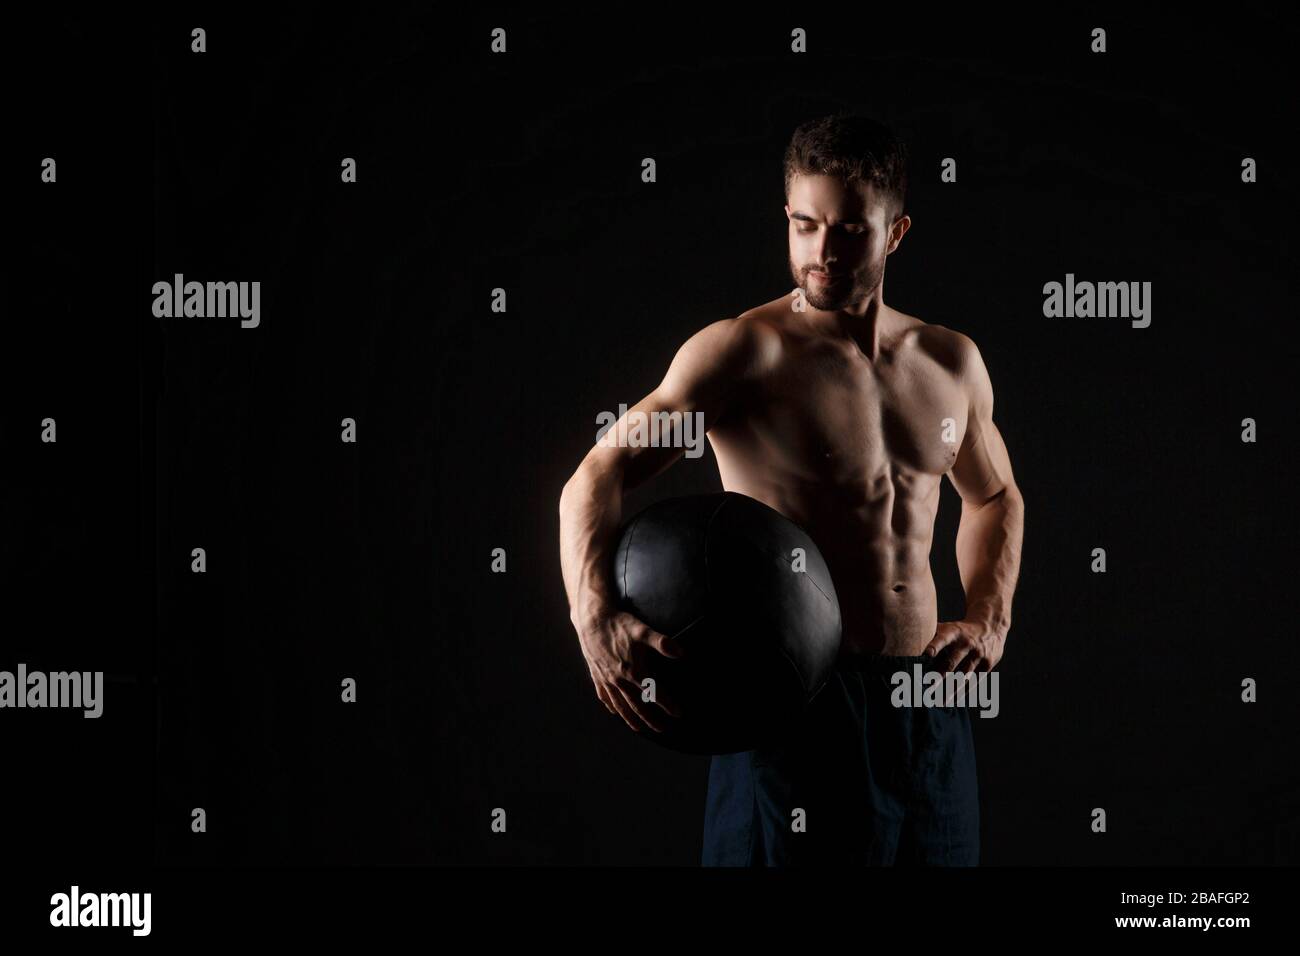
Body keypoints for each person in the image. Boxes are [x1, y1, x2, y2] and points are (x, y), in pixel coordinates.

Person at [559, 113, 1024, 865]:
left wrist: (990, 620)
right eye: (805, 225)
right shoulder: (746, 353)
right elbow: (595, 476)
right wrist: (593, 617)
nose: (823, 253)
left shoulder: (948, 363)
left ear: (897, 231)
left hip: (928, 707)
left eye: (850, 231)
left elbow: (996, 497)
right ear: (787, 216)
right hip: (795, 708)